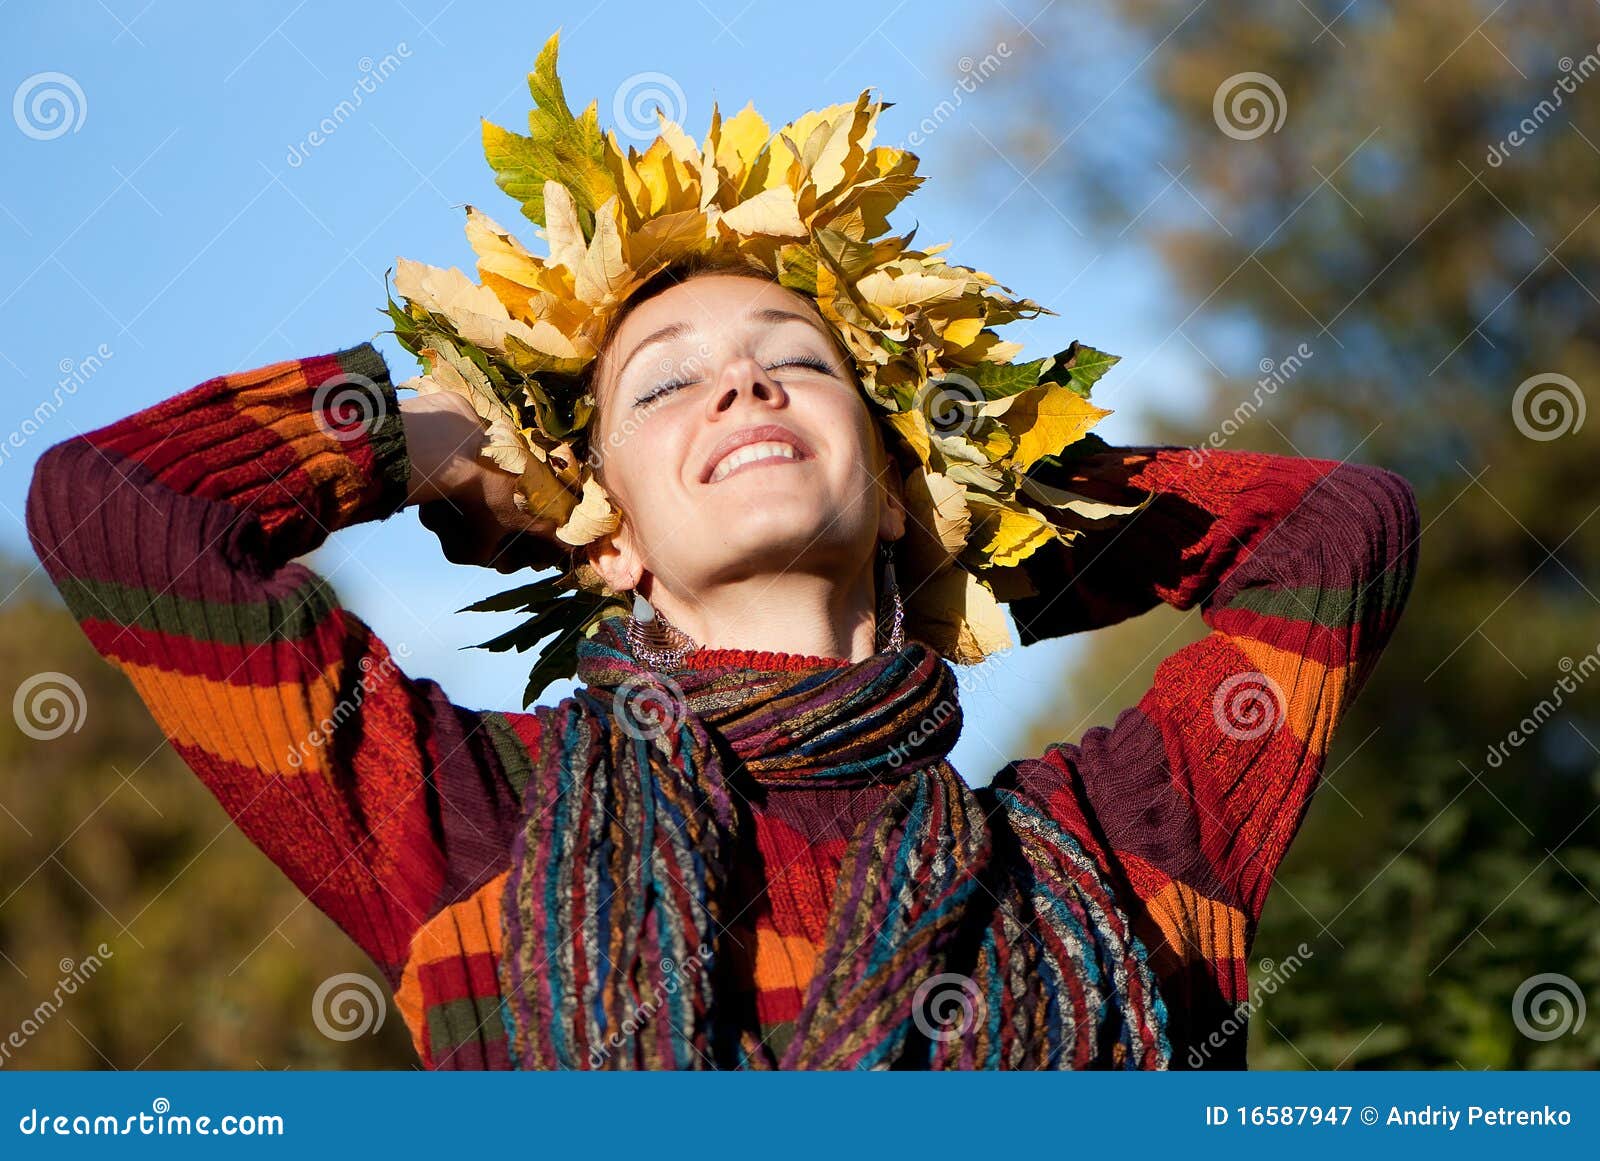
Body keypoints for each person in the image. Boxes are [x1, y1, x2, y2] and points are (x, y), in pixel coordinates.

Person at [24, 258, 1419, 1069]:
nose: (742, 385)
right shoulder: (473, 819)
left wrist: (983, 528)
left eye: (795, 364)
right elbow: (115, 514)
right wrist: (430, 432)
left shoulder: (1114, 843)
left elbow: (1333, 532)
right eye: (665, 383)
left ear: (891, 482)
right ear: (611, 535)